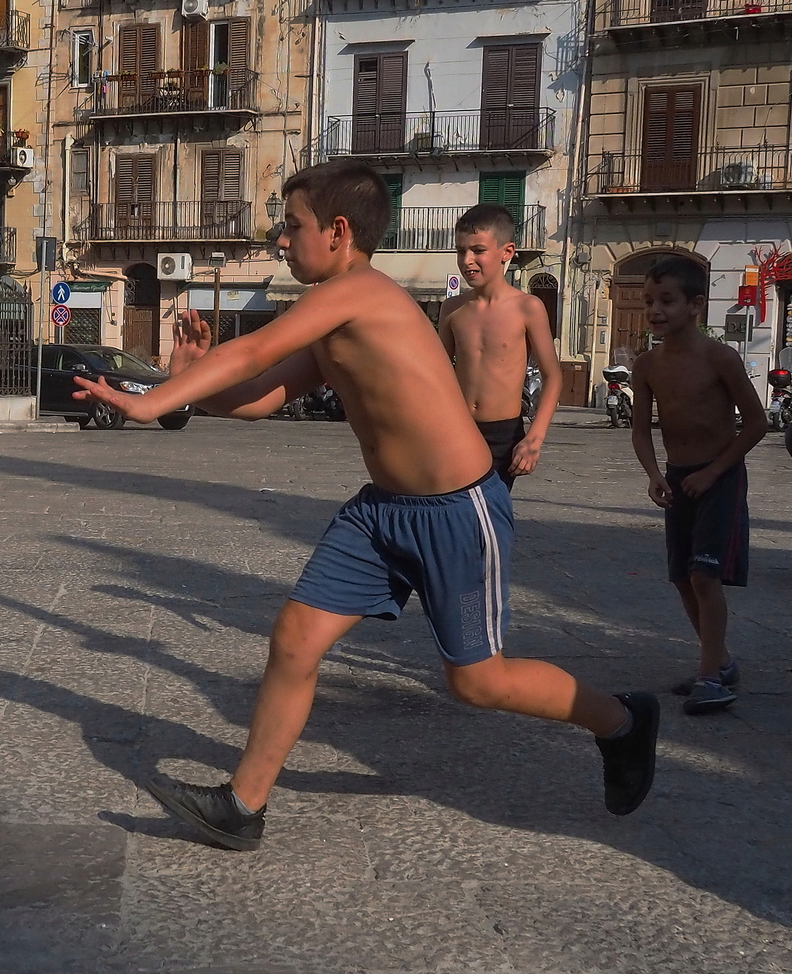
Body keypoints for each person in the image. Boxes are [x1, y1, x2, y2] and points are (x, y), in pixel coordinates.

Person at [73, 160, 658, 851]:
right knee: (295, 637)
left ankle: (622, 721)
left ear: (339, 232)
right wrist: (185, 379)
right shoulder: (331, 314)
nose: (282, 241)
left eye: (292, 227)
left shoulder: (362, 293)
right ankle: (242, 805)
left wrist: (148, 404)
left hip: (457, 513)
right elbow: (261, 398)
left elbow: (254, 349)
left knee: (479, 683)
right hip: (380, 515)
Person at [630, 256, 766, 715]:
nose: (655, 310)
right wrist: (654, 474)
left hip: (719, 476)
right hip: (678, 477)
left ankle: (711, 677)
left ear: (696, 305)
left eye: (667, 300)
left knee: (705, 574)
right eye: (650, 301)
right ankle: (720, 661)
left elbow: (756, 423)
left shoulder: (719, 357)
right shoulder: (646, 365)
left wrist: (713, 471)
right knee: (683, 578)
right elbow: (642, 430)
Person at [437, 204, 560, 490]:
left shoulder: (527, 308)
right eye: (460, 251)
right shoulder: (452, 309)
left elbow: (553, 377)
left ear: (506, 252)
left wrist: (534, 438)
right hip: (458, 428)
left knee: (490, 517)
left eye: (478, 250)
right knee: (453, 515)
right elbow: (439, 372)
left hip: (503, 433)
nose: (467, 260)